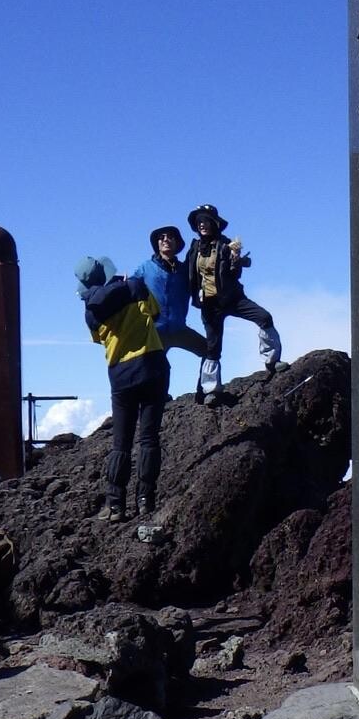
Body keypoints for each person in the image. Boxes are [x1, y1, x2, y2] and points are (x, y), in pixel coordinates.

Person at [74, 255, 168, 522]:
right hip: (153, 366)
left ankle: (116, 505)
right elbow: (155, 312)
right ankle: (145, 501)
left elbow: (97, 339)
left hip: (120, 375)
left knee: (121, 443)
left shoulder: (90, 311)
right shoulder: (135, 286)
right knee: (149, 438)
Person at [185, 201, 282, 403]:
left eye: (206, 221)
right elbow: (188, 275)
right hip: (210, 304)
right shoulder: (194, 249)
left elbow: (234, 274)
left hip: (233, 298)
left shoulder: (226, 245)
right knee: (213, 346)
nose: (202, 224)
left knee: (264, 317)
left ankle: (272, 360)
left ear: (214, 224)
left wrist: (236, 259)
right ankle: (211, 389)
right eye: (199, 221)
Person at [135, 225, 207, 372]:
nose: (165, 240)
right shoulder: (145, 268)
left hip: (179, 329)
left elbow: (207, 278)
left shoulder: (186, 271)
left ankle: (205, 392)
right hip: (155, 332)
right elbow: (129, 288)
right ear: (157, 245)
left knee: (209, 350)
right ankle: (158, 396)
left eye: (170, 237)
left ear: (177, 243)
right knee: (155, 369)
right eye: (161, 238)